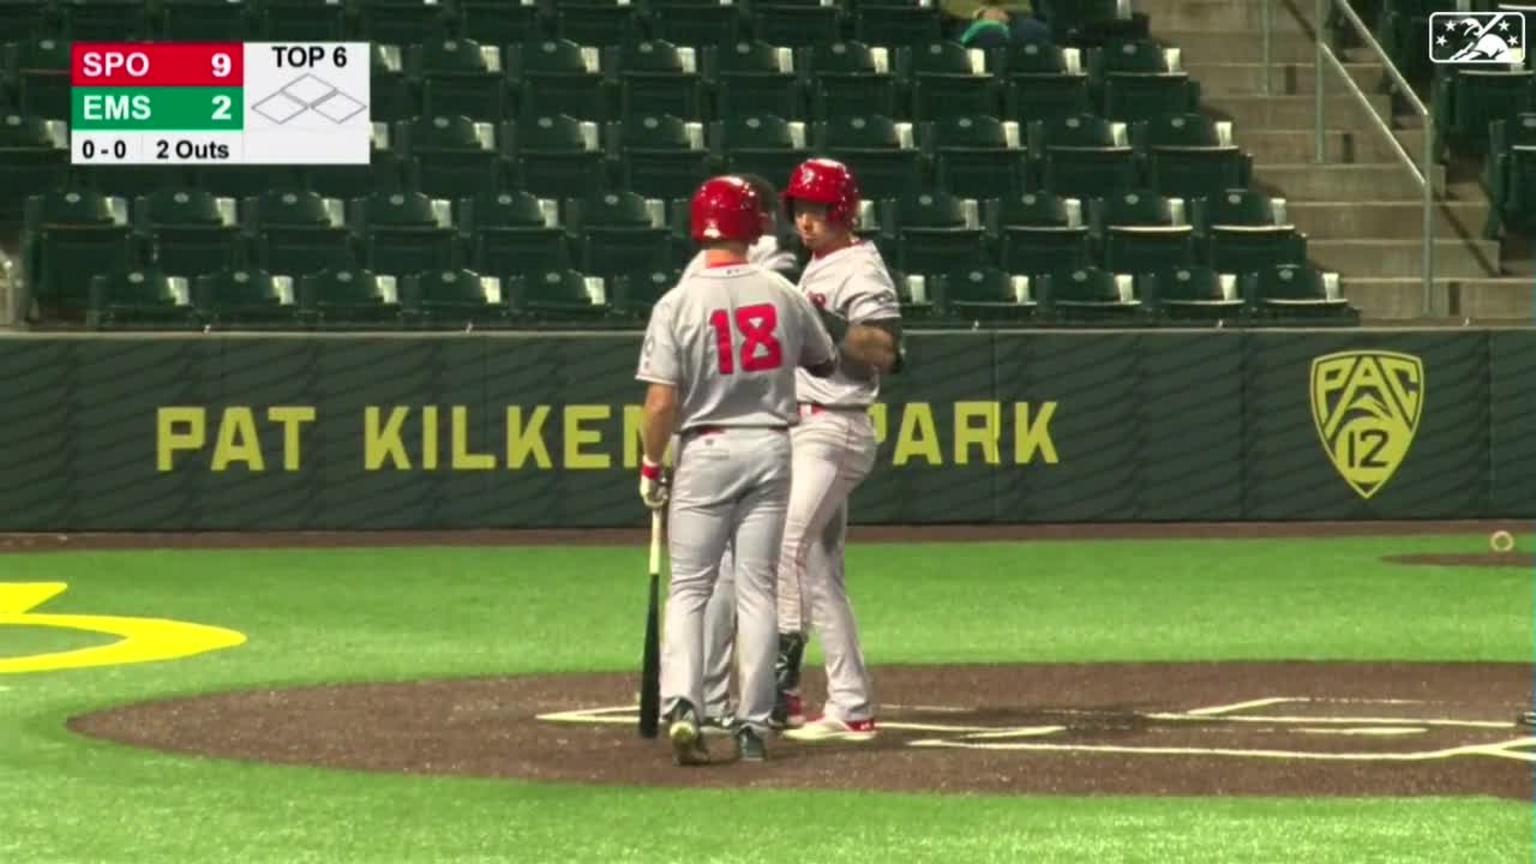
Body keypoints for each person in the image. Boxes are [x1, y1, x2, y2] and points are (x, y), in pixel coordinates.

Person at [635, 175, 840, 766]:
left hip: (706, 447)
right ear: (754, 227)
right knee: (757, 590)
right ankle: (752, 725)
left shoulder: (678, 300)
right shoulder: (781, 290)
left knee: (690, 588)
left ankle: (684, 706)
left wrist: (651, 465)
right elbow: (825, 362)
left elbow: (660, 403)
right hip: (771, 447)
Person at [771, 158, 905, 744]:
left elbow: (886, 350)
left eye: (818, 210)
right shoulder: (816, 263)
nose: (806, 220)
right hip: (808, 425)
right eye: (800, 209)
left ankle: (781, 680)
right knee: (822, 574)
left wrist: (817, 318)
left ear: (843, 211)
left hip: (835, 426)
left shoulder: (860, 268)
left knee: (785, 546)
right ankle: (852, 705)